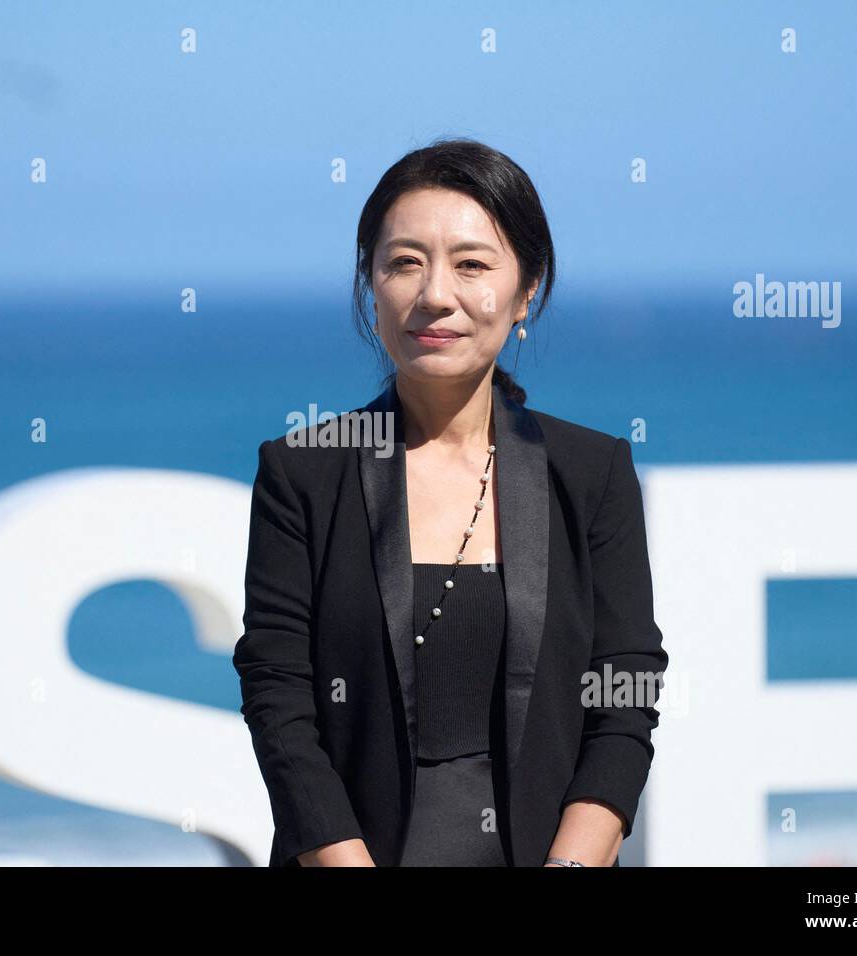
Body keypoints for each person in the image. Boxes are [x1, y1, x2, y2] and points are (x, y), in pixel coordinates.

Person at [233, 137, 668, 867]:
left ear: (527, 291)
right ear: (372, 289)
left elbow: (624, 696)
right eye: (404, 262)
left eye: (471, 264)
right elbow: (280, 702)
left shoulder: (592, 473)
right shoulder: (302, 473)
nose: (436, 293)